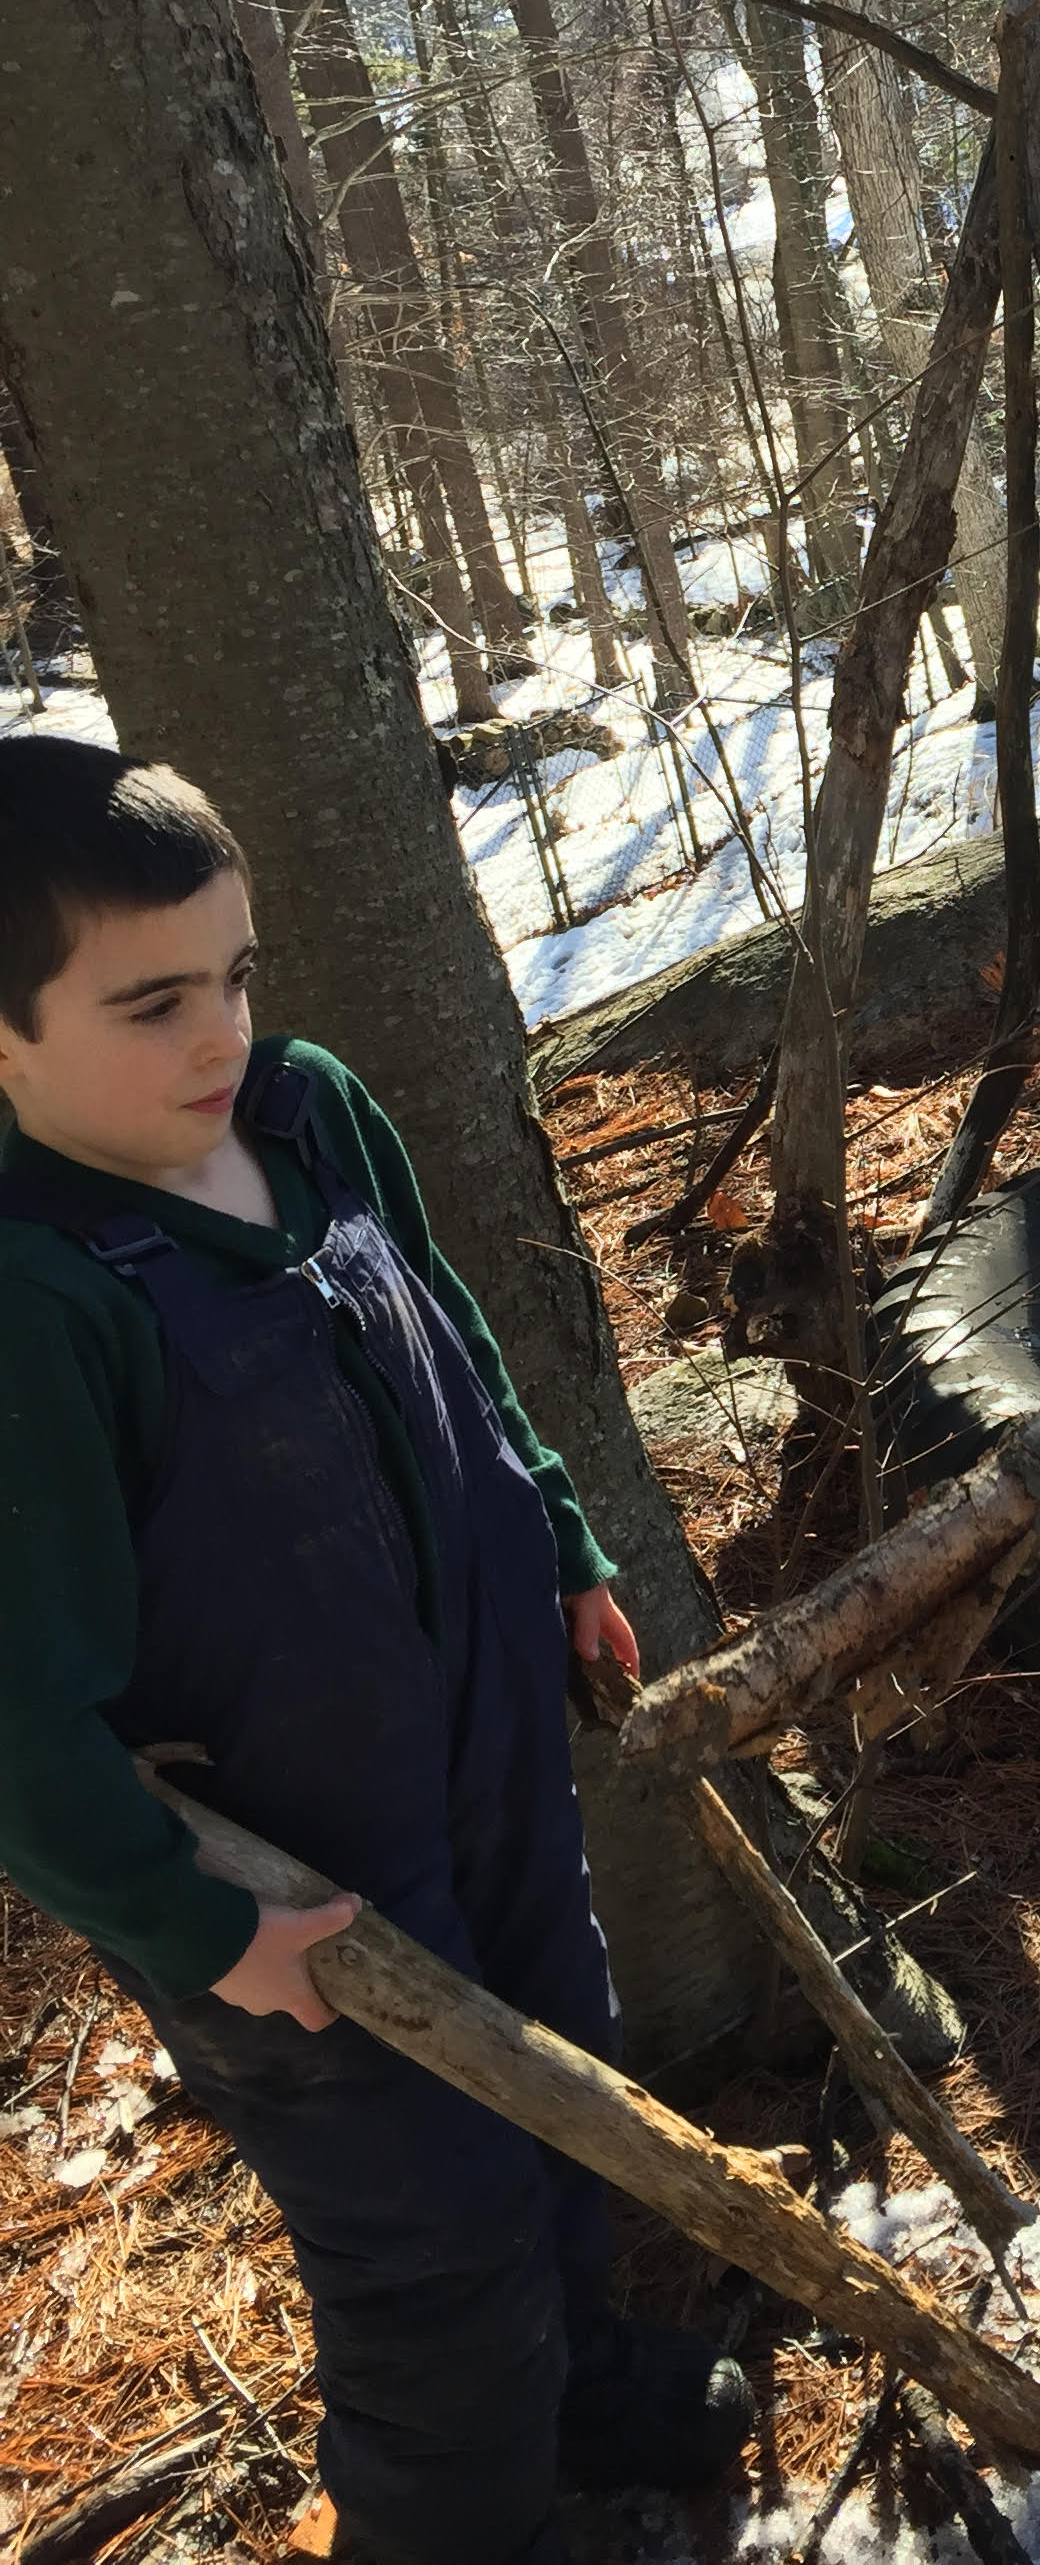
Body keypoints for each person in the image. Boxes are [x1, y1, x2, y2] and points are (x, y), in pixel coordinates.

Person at [0, 737, 751, 2565]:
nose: (220, 1037)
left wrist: (561, 1538)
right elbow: (18, 1720)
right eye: (153, 1001)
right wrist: (205, 1937)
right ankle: (458, 2526)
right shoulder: (42, 1302)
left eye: (238, 974)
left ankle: (580, 2402)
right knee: (429, 2239)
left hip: (488, 1750)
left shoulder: (312, 1114)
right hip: (299, 1900)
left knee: (569, 2075)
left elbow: (460, 1349)